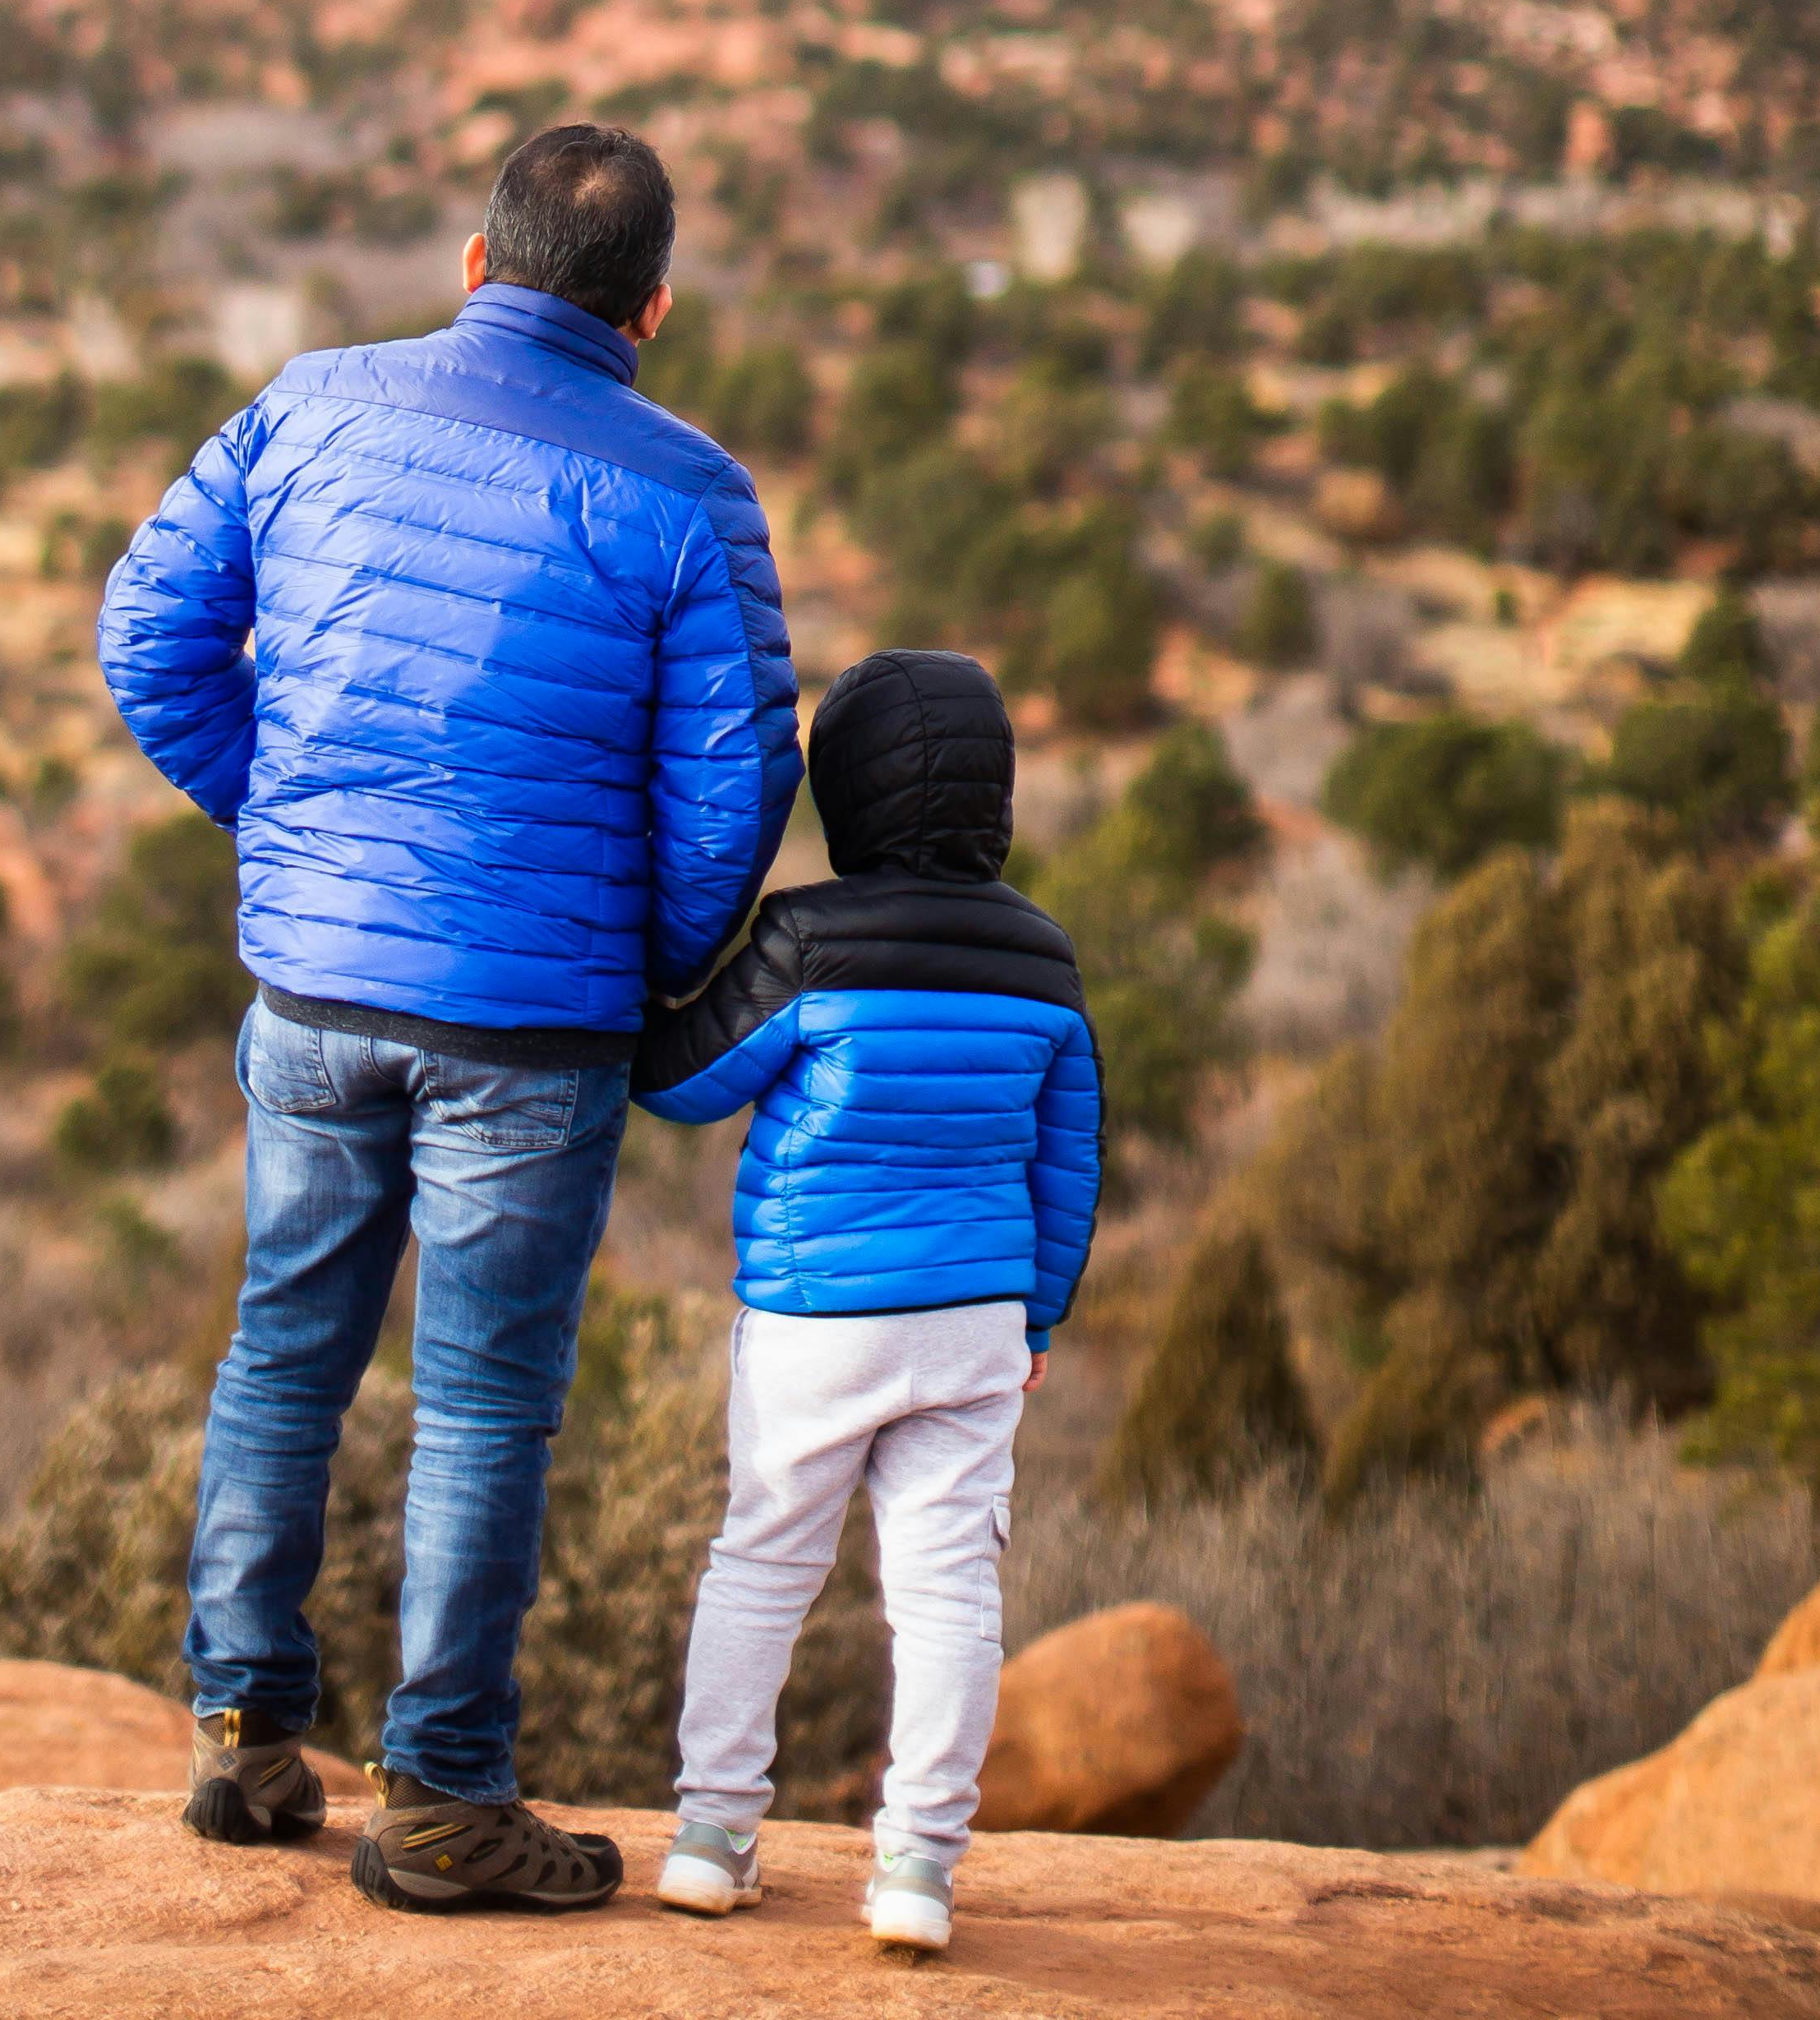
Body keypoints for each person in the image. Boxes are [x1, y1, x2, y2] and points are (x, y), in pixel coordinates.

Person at [98, 119, 801, 1917]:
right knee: (485, 1408)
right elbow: (733, 796)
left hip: (315, 991)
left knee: (282, 1354)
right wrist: (626, 954)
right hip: (535, 1024)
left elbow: (147, 639)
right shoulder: (692, 491)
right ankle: (445, 1801)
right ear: (652, 307)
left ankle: (244, 1738)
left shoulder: (307, 404)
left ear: (477, 265)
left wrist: (290, 822)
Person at [631, 647, 1101, 1956]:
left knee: (764, 1562)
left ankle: (714, 1838)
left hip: (812, 1313)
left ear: (842, 788)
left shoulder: (808, 937)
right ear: (994, 793)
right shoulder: (1045, 960)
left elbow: (681, 1081)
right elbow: (1070, 1161)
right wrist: (1040, 1320)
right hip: (975, 1324)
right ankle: (918, 1870)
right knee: (948, 1591)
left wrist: (628, 975)